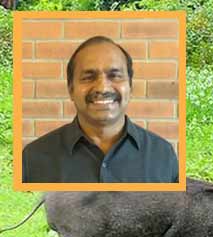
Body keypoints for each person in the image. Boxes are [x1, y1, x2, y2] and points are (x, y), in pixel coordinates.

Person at [22, 36, 179, 183]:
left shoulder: (163, 155)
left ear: (130, 87)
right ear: (71, 89)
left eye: (115, 76)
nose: (103, 88)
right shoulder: (34, 157)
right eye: (88, 77)